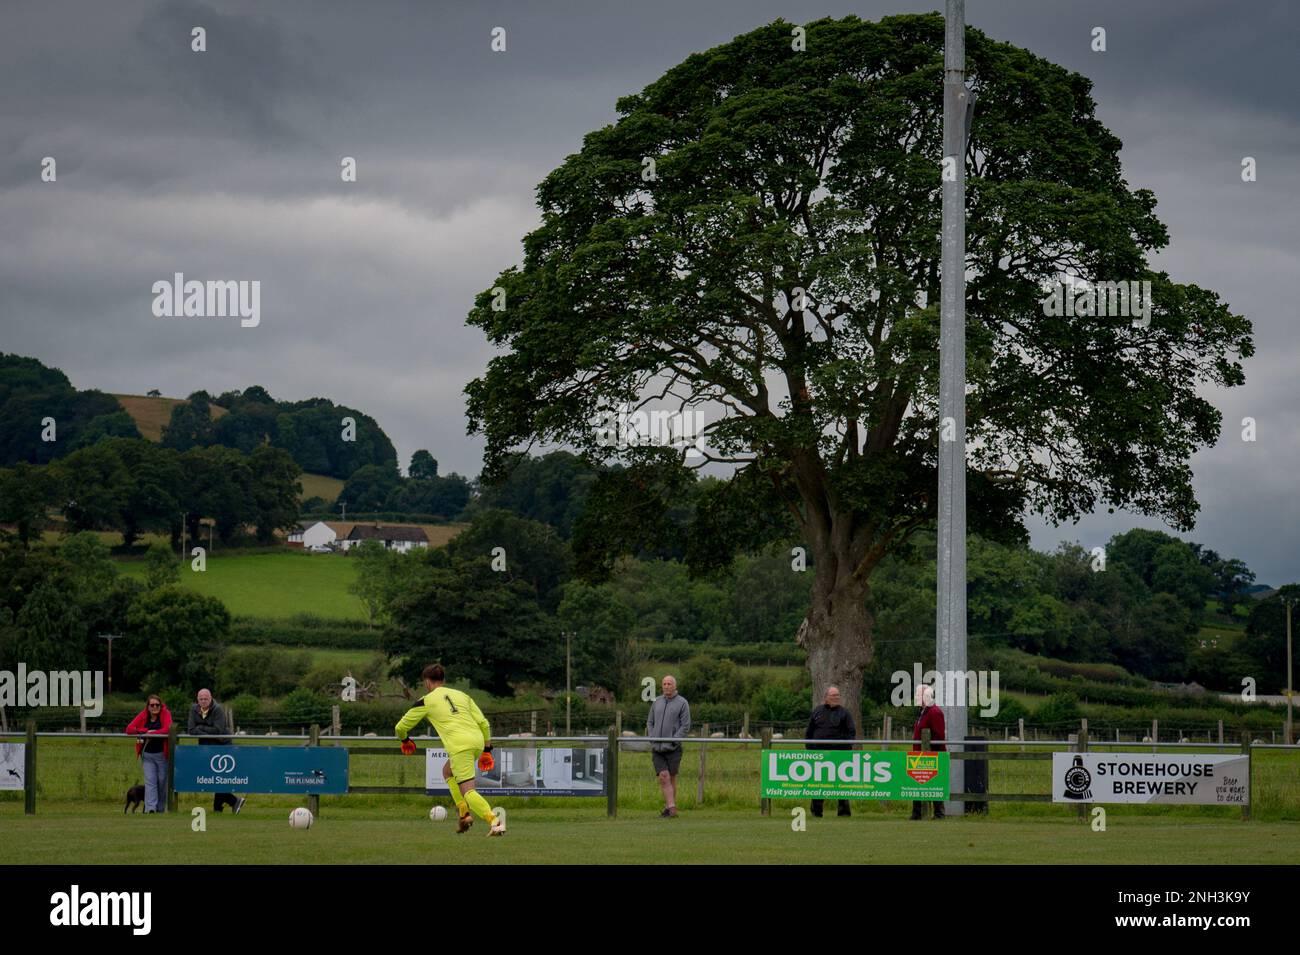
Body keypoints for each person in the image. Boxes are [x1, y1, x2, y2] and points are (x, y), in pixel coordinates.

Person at [395, 664, 504, 836]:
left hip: (460, 746)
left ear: (427, 683)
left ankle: (495, 822)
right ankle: (464, 814)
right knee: (447, 772)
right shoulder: (463, 696)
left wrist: (405, 740)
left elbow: (400, 727)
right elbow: (484, 722)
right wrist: (487, 749)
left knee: (468, 791)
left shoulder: (426, 700)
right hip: (477, 741)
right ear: (443, 680)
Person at [189, 688, 244, 814]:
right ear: (197, 699)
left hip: (222, 746)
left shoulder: (218, 709)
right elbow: (191, 730)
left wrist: (200, 727)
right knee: (212, 776)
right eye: (201, 699)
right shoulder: (193, 709)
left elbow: (218, 730)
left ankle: (224, 805)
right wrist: (205, 730)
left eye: (205, 699)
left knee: (218, 776)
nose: (203, 701)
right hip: (206, 747)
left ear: (210, 698)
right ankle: (231, 803)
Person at [806, 685, 855, 818]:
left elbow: (851, 733)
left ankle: (844, 812)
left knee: (841, 785)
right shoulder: (817, 711)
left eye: (837, 695)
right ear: (826, 697)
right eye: (833, 695)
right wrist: (810, 750)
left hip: (838, 756)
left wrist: (844, 751)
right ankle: (816, 811)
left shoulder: (845, 713)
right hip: (819, 755)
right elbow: (809, 733)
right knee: (818, 784)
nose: (836, 697)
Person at [646, 674, 691, 818]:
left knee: (671, 779)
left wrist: (674, 740)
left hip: (673, 748)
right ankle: (672, 809)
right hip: (657, 748)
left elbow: (685, 726)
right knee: (663, 776)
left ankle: (668, 808)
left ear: (675, 686)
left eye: (669, 684)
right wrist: (652, 737)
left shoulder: (682, 703)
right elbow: (650, 722)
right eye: (664, 684)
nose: (666, 686)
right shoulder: (656, 702)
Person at [125, 694, 172, 813]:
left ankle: (160, 809)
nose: (155, 707)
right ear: (148, 706)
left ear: (161, 706)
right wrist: (145, 731)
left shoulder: (166, 714)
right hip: (147, 755)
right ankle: (150, 809)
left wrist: (154, 733)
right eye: (152, 705)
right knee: (150, 782)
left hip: (162, 754)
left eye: (157, 705)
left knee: (161, 782)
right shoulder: (143, 715)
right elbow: (129, 729)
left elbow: (168, 729)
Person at [910, 683, 946, 820]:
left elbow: (938, 736)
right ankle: (918, 813)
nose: (916, 697)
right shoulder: (923, 712)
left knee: (934, 784)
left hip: (931, 756)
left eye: (918, 695)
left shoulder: (934, 712)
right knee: (918, 783)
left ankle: (938, 814)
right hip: (920, 756)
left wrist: (930, 754)